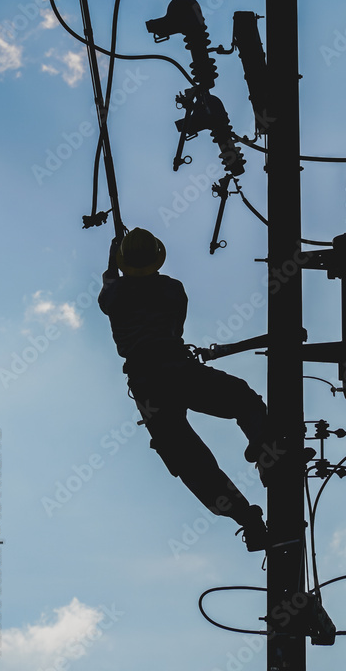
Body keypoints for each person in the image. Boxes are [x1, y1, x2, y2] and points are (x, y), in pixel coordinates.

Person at [98, 227, 270, 551]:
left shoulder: (113, 296)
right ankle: (267, 453)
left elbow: (109, 283)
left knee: (189, 461)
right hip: (178, 369)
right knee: (242, 399)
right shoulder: (172, 290)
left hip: (148, 386)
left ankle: (247, 520)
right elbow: (175, 326)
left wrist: (113, 256)